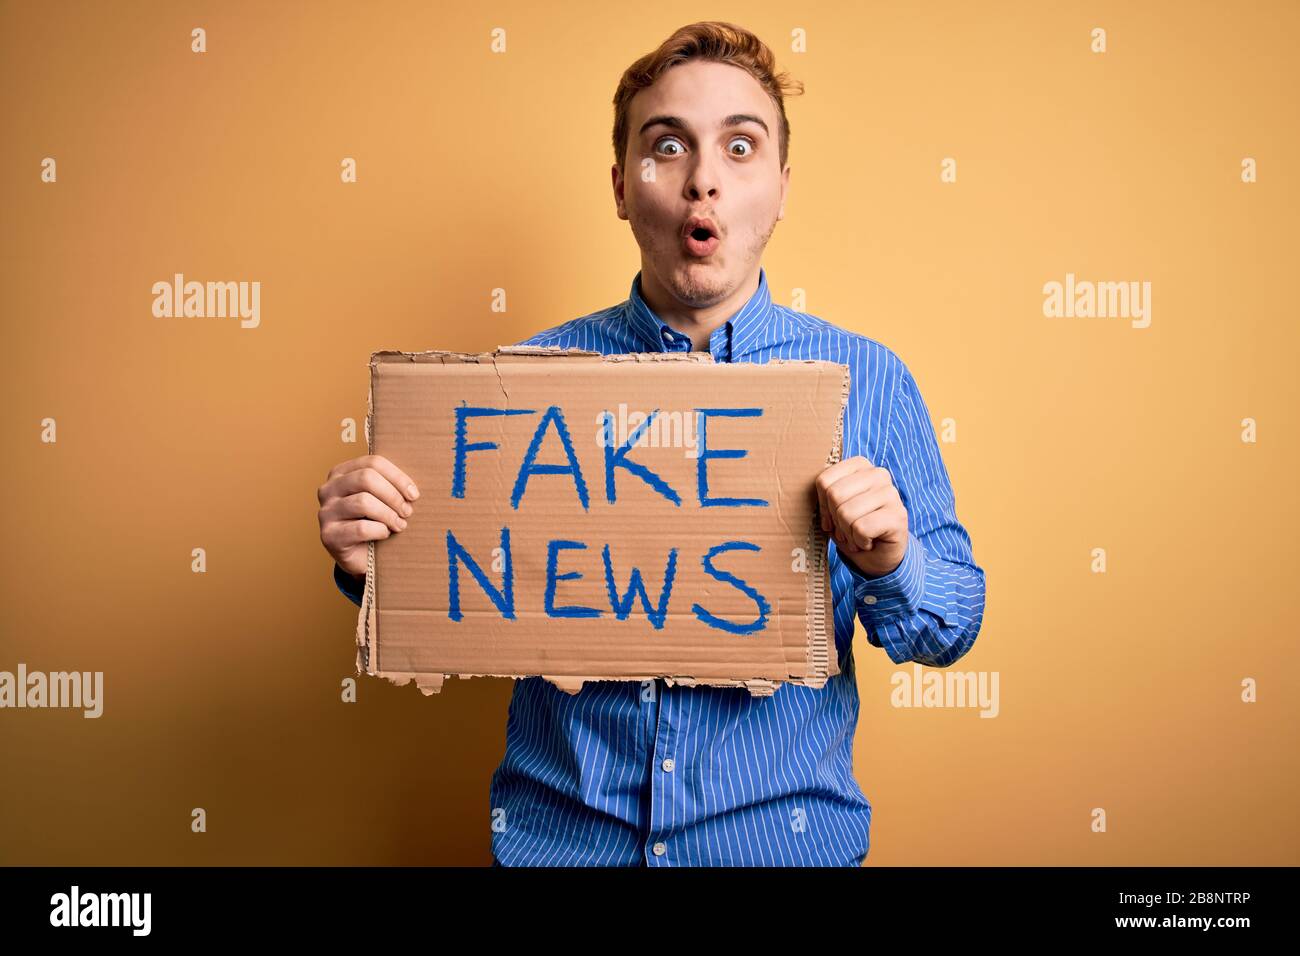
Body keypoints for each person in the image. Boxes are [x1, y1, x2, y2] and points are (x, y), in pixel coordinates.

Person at [316, 21, 986, 866]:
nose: (703, 179)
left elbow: (952, 625)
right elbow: (450, 583)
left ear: (781, 188)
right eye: (667, 147)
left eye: (740, 148)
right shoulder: (517, 388)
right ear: (623, 187)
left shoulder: (870, 379)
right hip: (559, 849)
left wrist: (893, 561)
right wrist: (366, 557)